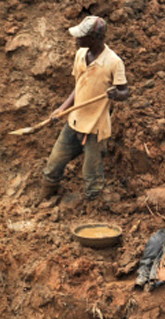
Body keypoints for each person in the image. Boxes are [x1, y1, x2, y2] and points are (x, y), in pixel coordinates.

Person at [42, 15, 129, 202]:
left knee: (92, 175)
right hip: (74, 121)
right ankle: (46, 194)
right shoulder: (81, 54)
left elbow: (125, 91)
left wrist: (116, 94)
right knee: (54, 163)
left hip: (95, 127)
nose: (77, 39)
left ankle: (93, 207)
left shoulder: (113, 62)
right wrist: (62, 108)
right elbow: (79, 86)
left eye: (81, 36)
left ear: (95, 38)